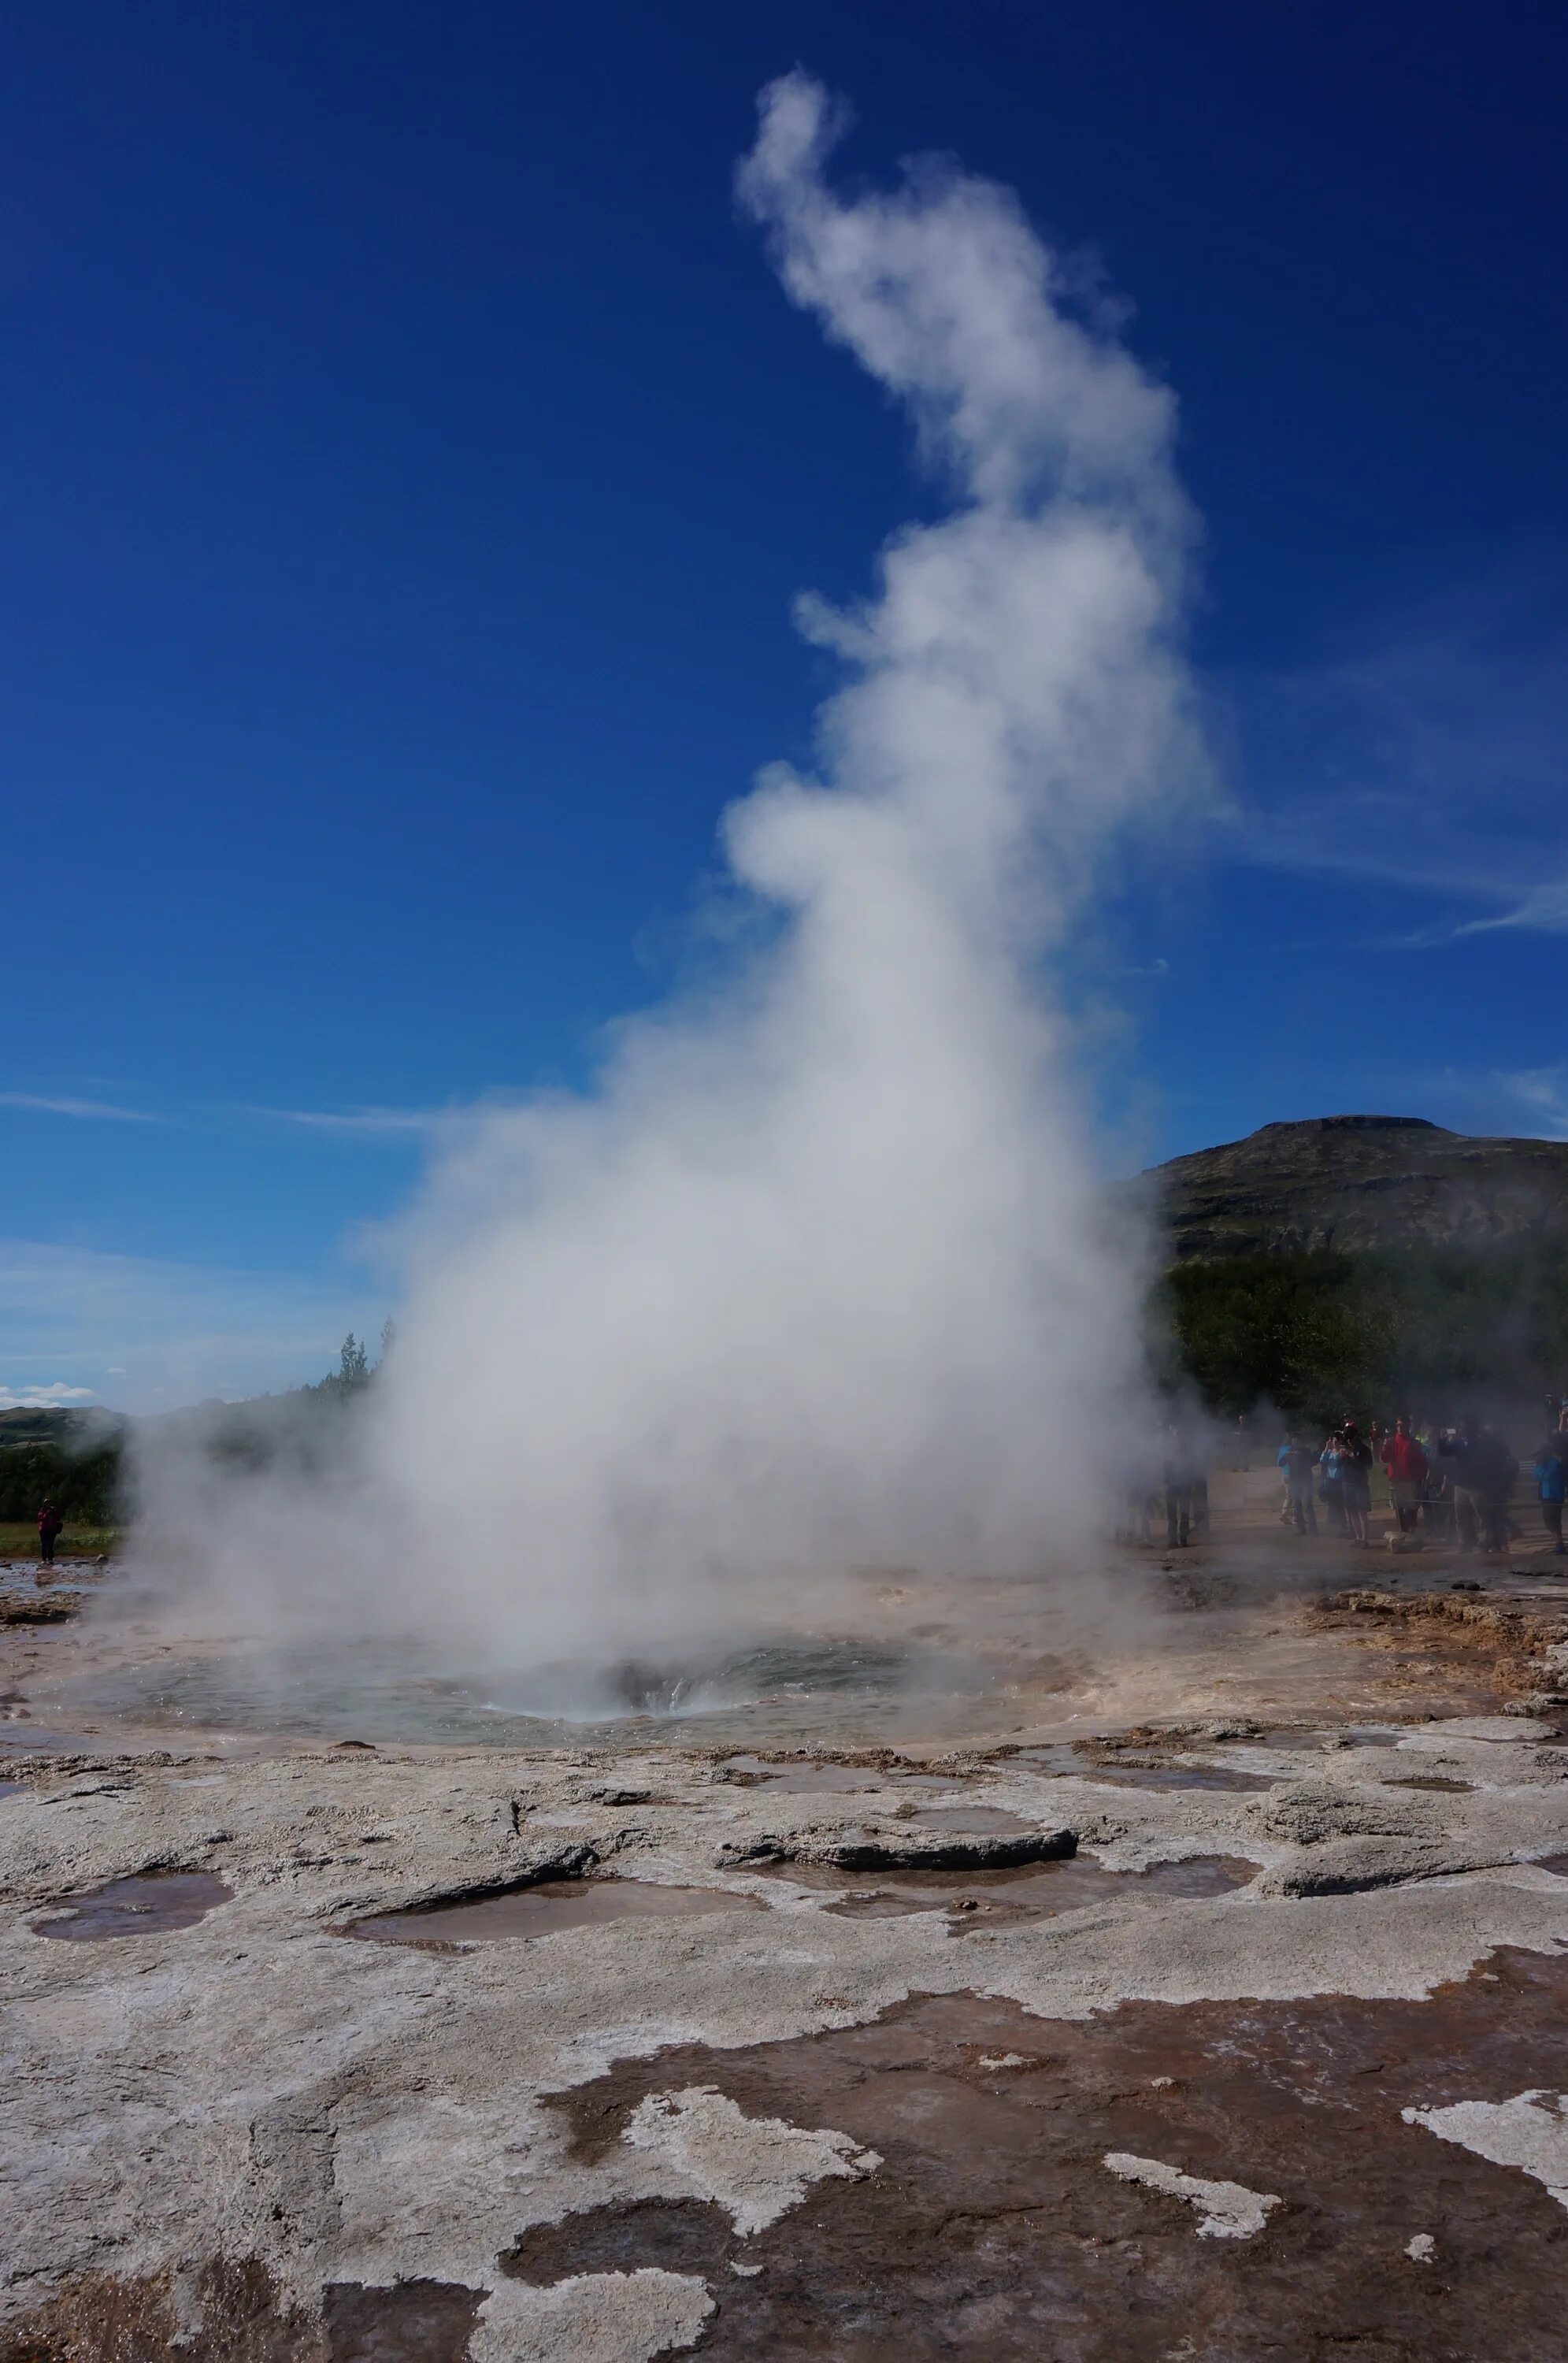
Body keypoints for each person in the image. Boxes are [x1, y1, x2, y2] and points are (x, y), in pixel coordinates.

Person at [1380, 1415, 1429, 1535]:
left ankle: (1412, 1530)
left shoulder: (1414, 1443)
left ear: (1408, 1426)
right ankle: (1402, 1530)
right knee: (1399, 1507)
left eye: (1402, 1425)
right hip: (1396, 1480)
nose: (1400, 1428)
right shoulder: (1391, 1442)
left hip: (1410, 1480)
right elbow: (1385, 1459)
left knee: (1411, 1506)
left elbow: (1422, 1462)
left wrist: (1419, 1476)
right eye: (1398, 1425)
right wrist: (1385, 1447)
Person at [1533, 1426, 1566, 1558]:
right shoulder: (1541, 1465)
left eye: (1539, 1454)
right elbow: (1535, 1476)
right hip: (1545, 1496)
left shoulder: (1554, 1464)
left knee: (1554, 1521)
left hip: (1554, 1495)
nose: (1537, 1457)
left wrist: (1541, 1467)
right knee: (1548, 1522)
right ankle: (1558, 1544)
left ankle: (1560, 1545)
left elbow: (1547, 1476)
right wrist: (1540, 1467)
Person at [1340, 1418, 1373, 1546]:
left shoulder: (1364, 1449)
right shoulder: (1346, 1449)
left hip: (1360, 1484)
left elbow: (1369, 1465)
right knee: (1352, 1511)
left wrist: (1354, 1458)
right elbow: (1338, 1465)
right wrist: (1342, 1457)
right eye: (1347, 1439)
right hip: (1348, 1484)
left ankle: (1364, 1539)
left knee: (1361, 1511)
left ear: (1355, 1437)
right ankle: (1358, 1538)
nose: (1348, 1441)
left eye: (1350, 1438)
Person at [1163, 1425, 1195, 1549]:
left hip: (1184, 1486)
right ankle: (1172, 1539)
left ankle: (1183, 1538)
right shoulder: (1169, 1450)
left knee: (1185, 1513)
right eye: (1175, 1435)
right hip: (1172, 1486)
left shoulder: (1188, 1451)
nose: (1177, 1438)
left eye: (1179, 1435)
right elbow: (1165, 1467)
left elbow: (1192, 1468)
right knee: (1171, 1514)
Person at [1281, 1434, 1318, 1535]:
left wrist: (1297, 1454)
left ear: (1301, 1442)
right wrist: (1287, 1455)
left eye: (1297, 1441)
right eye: (1293, 1441)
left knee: (1307, 1504)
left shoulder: (1306, 1451)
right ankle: (1301, 1529)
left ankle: (1313, 1529)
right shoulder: (1290, 1453)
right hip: (1294, 1482)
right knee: (1297, 1506)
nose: (1295, 1443)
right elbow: (1281, 1463)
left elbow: (1312, 1461)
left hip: (1305, 1481)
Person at [36, 1497, 63, 1566]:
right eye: (47, 1503)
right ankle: (44, 1559)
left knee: (51, 1544)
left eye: (49, 1503)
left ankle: (50, 1559)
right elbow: (41, 1519)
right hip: (44, 1530)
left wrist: (54, 1512)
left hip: (52, 1529)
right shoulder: (42, 1511)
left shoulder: (52, 1511)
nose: (48, 1504)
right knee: (44, 1544)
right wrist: (47, 1514)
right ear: (44, 1504)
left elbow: (58, 1518)